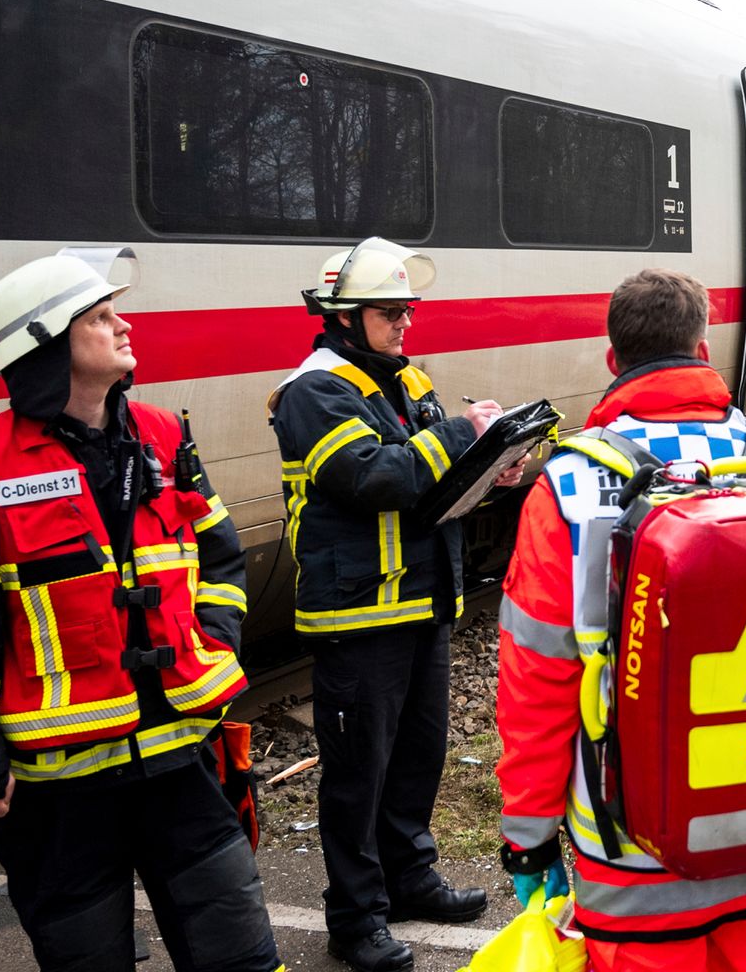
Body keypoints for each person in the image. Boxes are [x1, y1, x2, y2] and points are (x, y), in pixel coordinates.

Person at [0, 250, 282, 972]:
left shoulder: (164, 438)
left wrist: (214, 646)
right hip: (61, 794)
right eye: (101, 317)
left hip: (180, 761)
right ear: (47, 341)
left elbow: (221, 559)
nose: (124, 325)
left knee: (242, 958)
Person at [495, 269, 746, 972]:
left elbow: (537, 685)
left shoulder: (570, 487)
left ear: (614, 361)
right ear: (703, 349)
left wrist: (527, 836)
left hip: (635, 853)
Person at [268, 237, 510, 972]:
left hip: (420, 602)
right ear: (344, 316)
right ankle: (356, 916)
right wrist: (462, 432)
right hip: (358, 614)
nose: (406, 322)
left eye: (409, 308)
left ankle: (409, 879)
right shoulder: (315, 391)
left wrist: (494, 462)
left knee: (416, 756)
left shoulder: (403, 380)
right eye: (391, 311)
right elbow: (377, 477)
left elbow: (432, 477)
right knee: (358, 774)